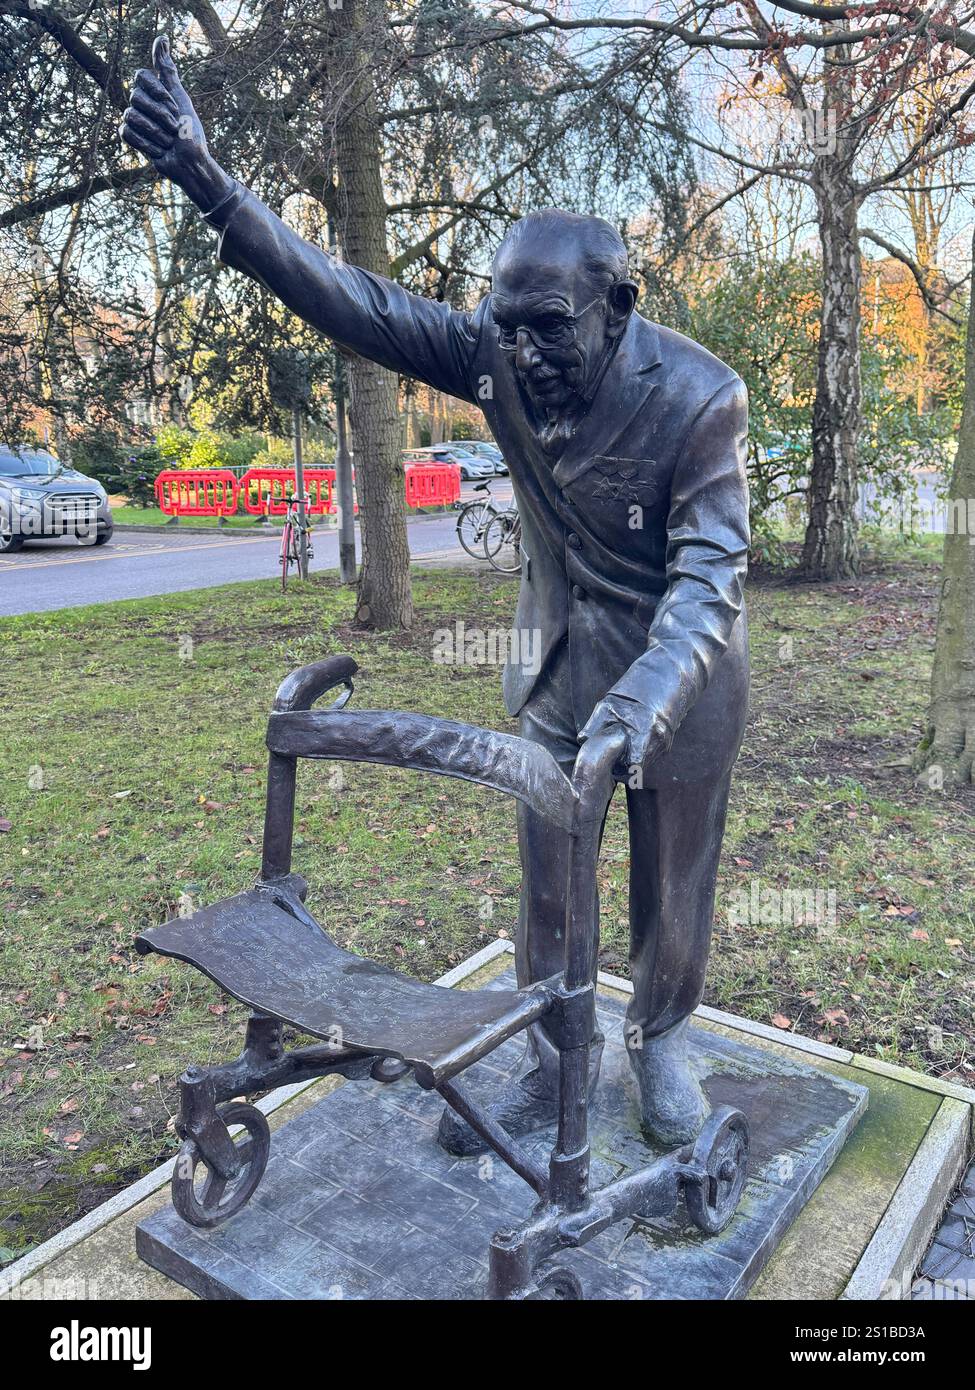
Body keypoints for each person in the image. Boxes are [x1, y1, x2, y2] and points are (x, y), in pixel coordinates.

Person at [123, 37, 750, 1151]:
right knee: (550, 891)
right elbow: (351, 299)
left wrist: (644, 705)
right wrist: (216, 186)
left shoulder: (703, 397)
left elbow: (709, 580)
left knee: (673, 887)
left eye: (547, 326)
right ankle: (552, 1059)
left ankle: (662, 1038)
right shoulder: (498, 354)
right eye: (504, 326)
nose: (520, 352)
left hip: (681, 686)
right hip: (558, 667)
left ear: (618, 305)